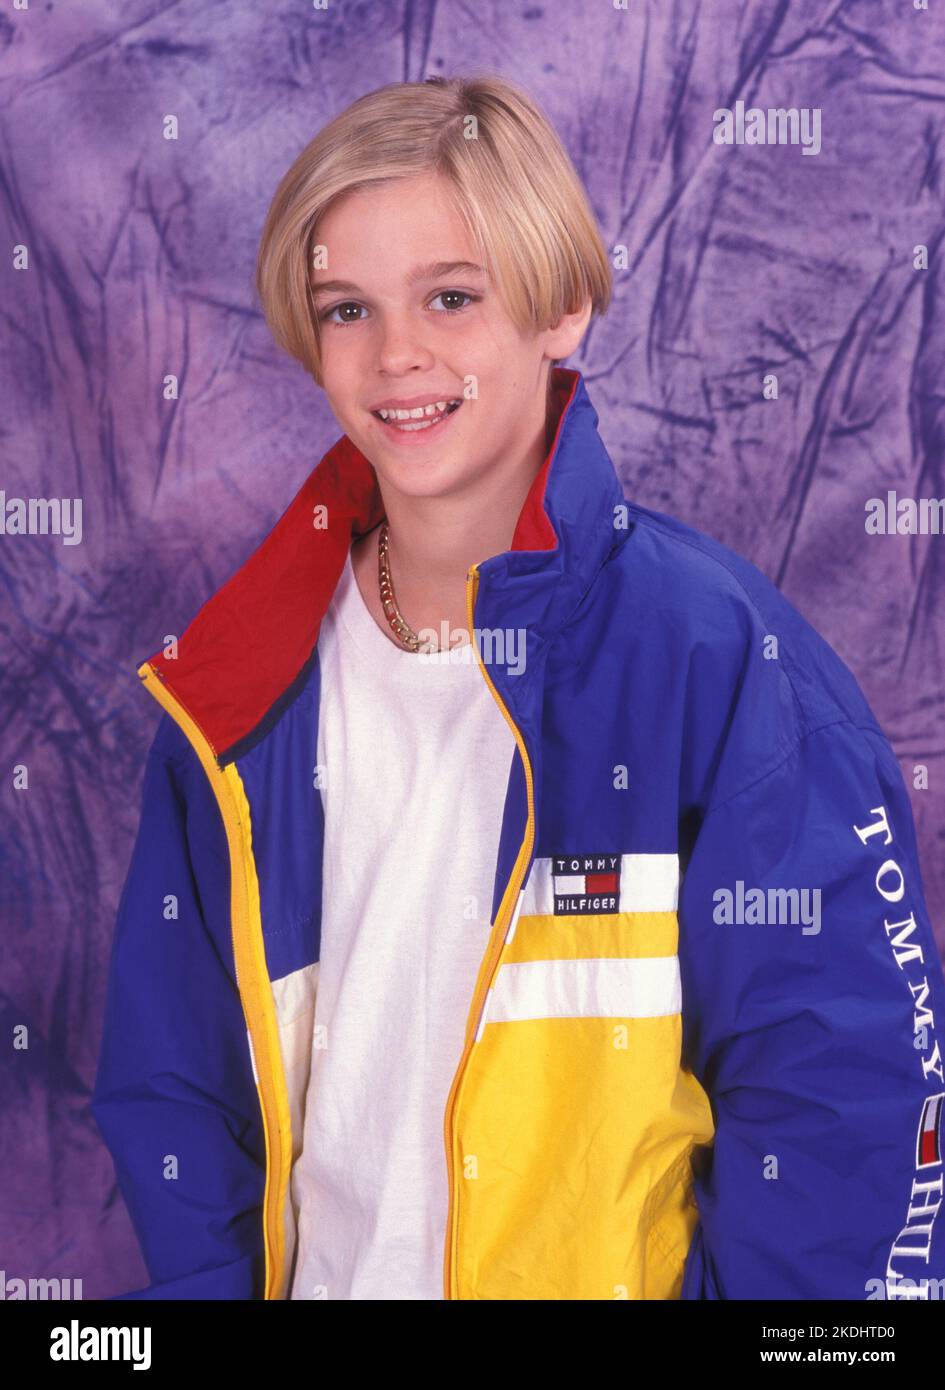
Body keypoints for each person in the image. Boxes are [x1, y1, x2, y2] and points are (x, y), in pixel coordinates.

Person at [92, 73, 945, 1302]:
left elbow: (844, 1106)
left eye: (451, 295)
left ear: (565, 309)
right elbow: (173, 1095)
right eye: (346, 309)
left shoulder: (720, 668)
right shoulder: (235, 693)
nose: (397, 356)